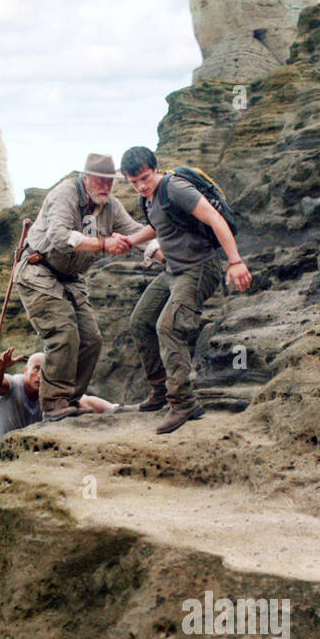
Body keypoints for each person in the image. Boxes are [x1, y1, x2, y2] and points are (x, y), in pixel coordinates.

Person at [117, 146, 251, 435]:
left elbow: (214, 218)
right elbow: (158, 227)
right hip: (172, 271)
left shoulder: (174, 187)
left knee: (169, 328)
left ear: (156, 168)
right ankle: (160, 390)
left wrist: (235, 261)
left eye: (145, 178)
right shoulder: (150, 198)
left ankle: (184, 403)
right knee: (141, 321)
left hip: (199, 269)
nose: (141, 186)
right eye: (134, 182)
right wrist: (130, 240)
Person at [15, 153, 146, 422]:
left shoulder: (111, 207)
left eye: (110, 181)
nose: (105, 186)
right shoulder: (64, 195)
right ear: (85, 178)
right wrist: (103, 243)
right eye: (100, 180)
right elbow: (60, 237)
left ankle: (69, 400)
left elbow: (134, 232)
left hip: (71, 277)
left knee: (91, 340)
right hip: (39, 271)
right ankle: (53, 405)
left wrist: (162, 251)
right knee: (63, 332)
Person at [0, 348, 114, 471]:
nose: (40, 376)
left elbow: (85, 400)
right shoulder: (13, 384)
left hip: (23, 456)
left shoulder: (51, 394)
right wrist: (1, 367)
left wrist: (115, 409)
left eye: (45, 372)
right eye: (36, 369)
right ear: (26, 370)